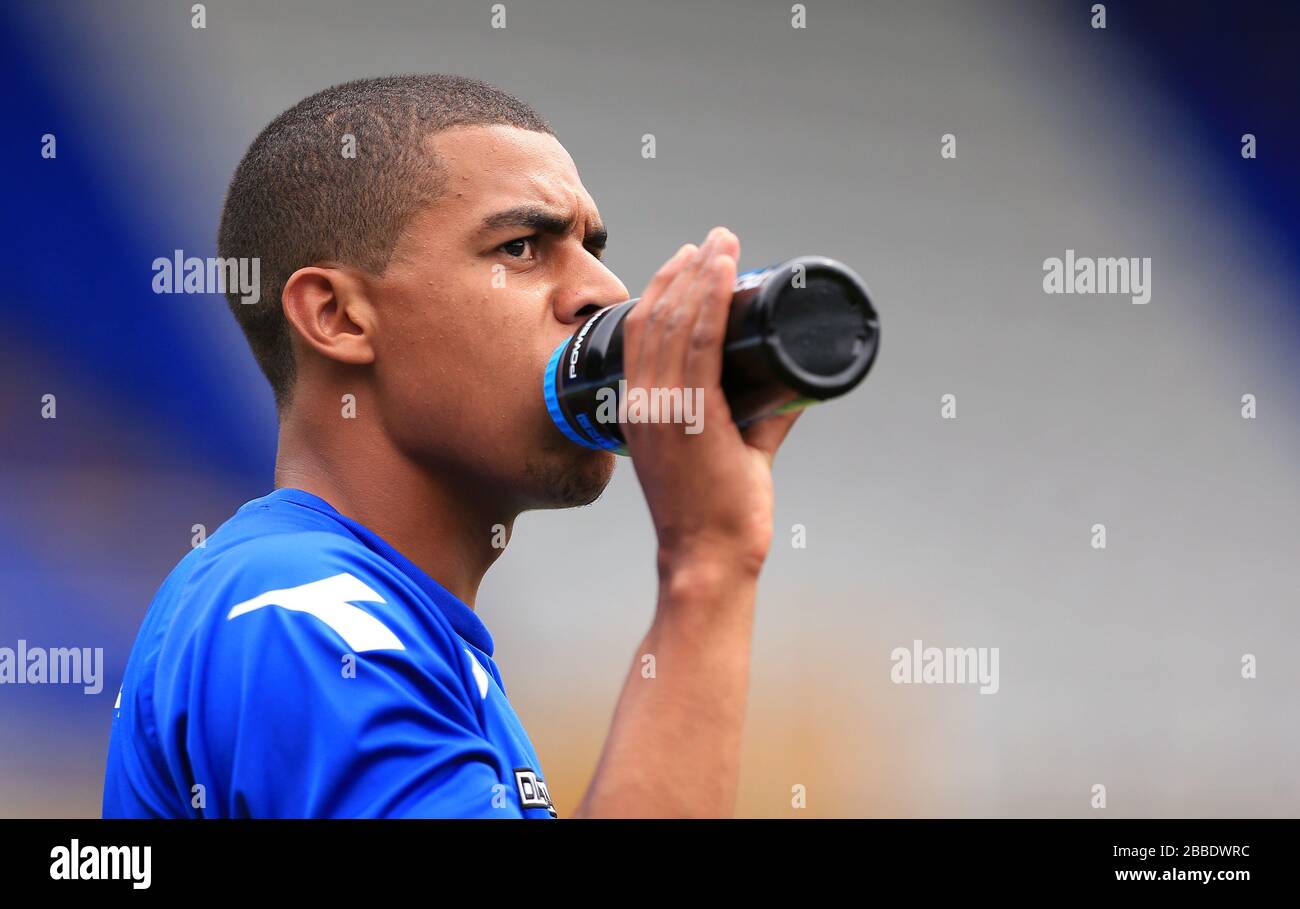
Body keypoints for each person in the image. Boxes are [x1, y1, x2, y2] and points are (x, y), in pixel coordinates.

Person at [102, 74, 800, 818]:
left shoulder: (407, 634)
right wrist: (709, 561)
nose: (604, 290)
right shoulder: (304, 614)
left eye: (594, 248)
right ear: (337, 316)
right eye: (523, 246)